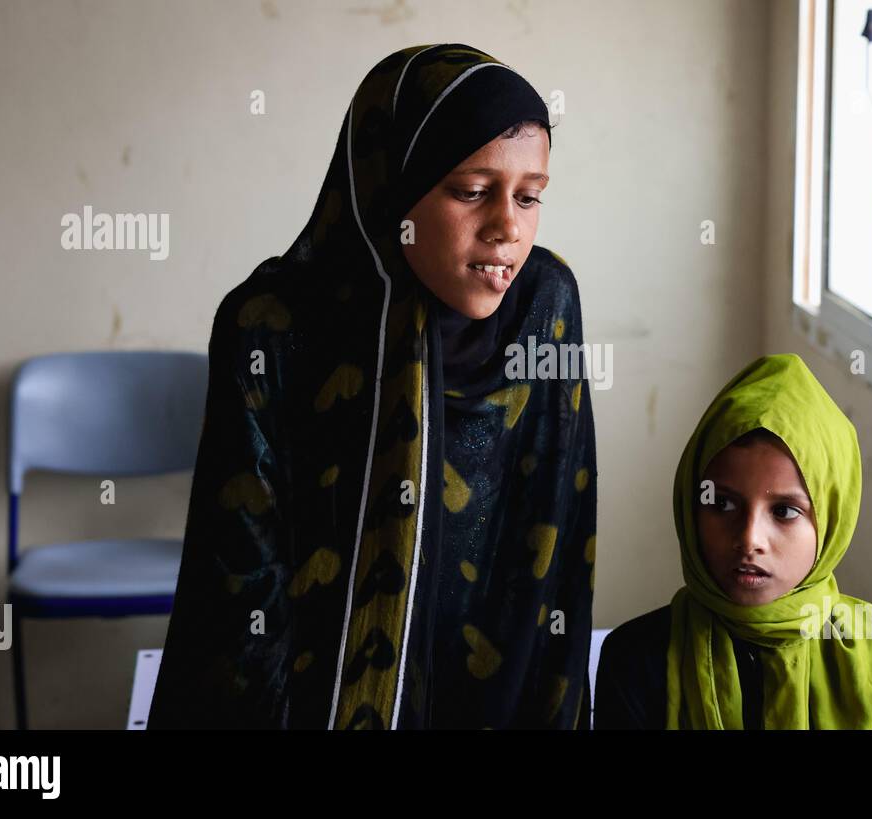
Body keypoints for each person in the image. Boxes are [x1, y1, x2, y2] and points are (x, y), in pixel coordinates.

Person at [149, 44, 597, 729]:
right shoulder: (272, 326)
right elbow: (240, 591)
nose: (509, 227)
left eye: (530, 196)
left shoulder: (544, 304)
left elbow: (555, 550)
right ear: (391, 188)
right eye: (472, 191)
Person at [595, 354, 872, 729]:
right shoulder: (638, 657)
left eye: (784, 511)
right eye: (721, 504)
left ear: (833, 519)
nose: (749, 539)